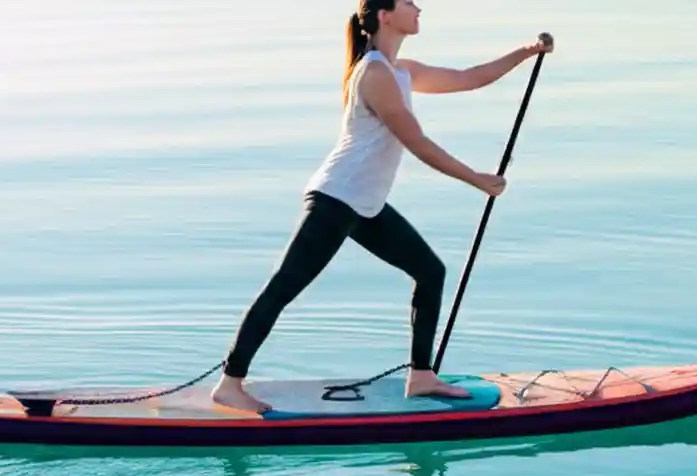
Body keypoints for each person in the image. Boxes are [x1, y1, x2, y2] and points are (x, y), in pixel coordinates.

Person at [212, 0, 554, 413]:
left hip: (365, 204)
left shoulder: (401, 70)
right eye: (409, 2)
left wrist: (527, 51)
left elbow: (470, 78)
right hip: (336, 198)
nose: (419, 7)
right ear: (385, 15)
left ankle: (422, 377)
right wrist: (477, 179)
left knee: (430, 271)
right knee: (284, 285)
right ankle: (230, 384)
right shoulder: (375, 73)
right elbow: (417, 142)